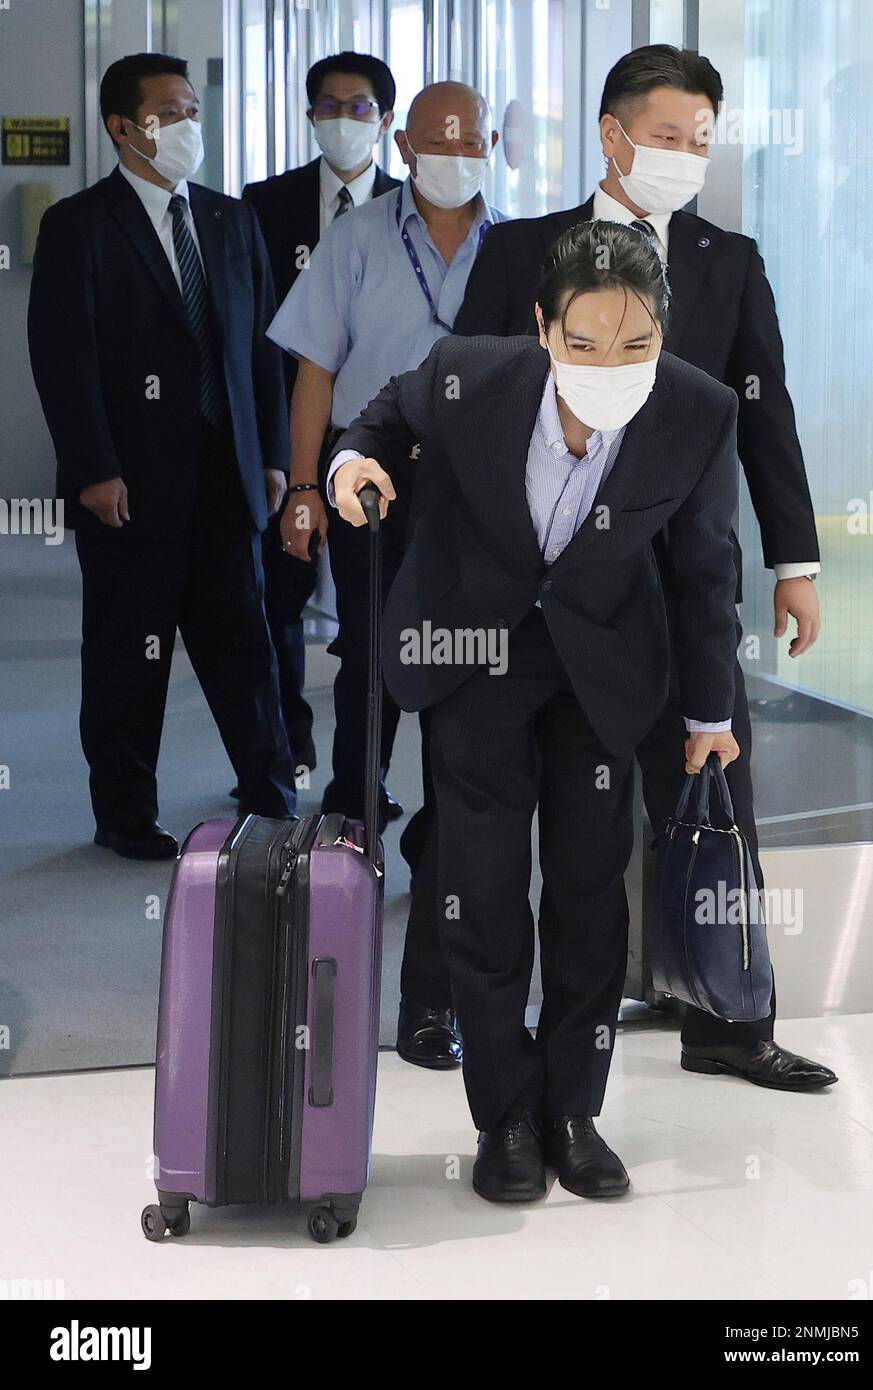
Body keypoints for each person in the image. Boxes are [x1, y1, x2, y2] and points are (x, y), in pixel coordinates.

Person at [328, 221, 743, 1202]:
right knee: (480, 881)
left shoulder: (694, 411)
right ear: (544, 328)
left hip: (602, 665)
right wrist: (352, 468)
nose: (613, 365)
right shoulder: (474, 373)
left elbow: (706, 569)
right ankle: (507, 1110)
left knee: (593, 892)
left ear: (663, 336)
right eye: (587, 344)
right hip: (474, 650)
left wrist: (710, 711)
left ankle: (574, 1107)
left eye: (637, 345)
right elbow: (383, 417)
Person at [453, 44, 836, 1094]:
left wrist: (793, 561)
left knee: (712, 778)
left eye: (701, 142)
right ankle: (488, 1026)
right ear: (613, 135)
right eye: (667, 138)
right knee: (539, 813)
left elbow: (769, 418)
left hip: (687, 586)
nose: (686, 157)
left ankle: (728, 1016)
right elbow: (466, 402)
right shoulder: (524, 250)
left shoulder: (727, 258)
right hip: (548, 586)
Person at [267, 81, 505, 1068]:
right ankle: (350, 853)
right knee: (373, 683)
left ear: (491, 144)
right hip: (373, 494)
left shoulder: (521, 245)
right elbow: (315, 369)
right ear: (404, 143)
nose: (454, 153)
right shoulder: (359, 238)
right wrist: (304, 490)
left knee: (467, 706)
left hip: (483, 508)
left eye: (472, 138)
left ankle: (434, 905)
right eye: (437, 138)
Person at [28, 52, 297, 860]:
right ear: (122, 127)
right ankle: (124, 815)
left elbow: (260, 352)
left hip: (227, 474)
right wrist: (93, 469)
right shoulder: (79, 225)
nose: (187, 126)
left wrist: (274, 454)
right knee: (127, 654)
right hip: (130, 486)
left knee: (242, 642)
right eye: (168, 113)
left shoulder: (228, 219)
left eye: (191, 110)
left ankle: (269, 788)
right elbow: (63, 359)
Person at [239, 53, 402, 792]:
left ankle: (366, 777)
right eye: (328, 106)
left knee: (375, 622)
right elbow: (252, 336)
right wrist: (277, 455)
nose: (343, 119)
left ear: (385, 120)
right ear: (310, 117)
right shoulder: (261, 206)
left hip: (383, 450)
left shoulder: (410, 210)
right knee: (276, 599)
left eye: (359, 106)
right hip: (286, 437)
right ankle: (284, 755)